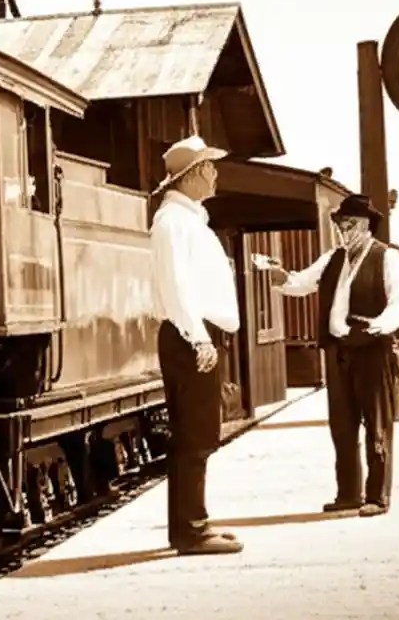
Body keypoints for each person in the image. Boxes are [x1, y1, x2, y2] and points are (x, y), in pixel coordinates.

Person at [268, 194, 399, 518]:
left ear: (366, 225)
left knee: (377, 424)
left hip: (371, 348)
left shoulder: (387, 257)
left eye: (350, 224)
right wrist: (279, 277)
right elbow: (300, 282)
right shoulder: (333, 258)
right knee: (342, 426)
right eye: (340, 224)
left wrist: (380, 326)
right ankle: (348, 493)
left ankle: (377, 496)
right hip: (338, 352)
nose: (344, 230)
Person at [149, 134, 244, 555]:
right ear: (191, 175)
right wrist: (199, 337)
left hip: (197, 334)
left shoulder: (187, 220)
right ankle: (190, 530)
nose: (215, 173)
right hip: (191, 335)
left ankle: (195, 523)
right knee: (193, 435)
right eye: (208, 167)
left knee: (200, 432)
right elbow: (177, 286)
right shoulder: (172, 222)